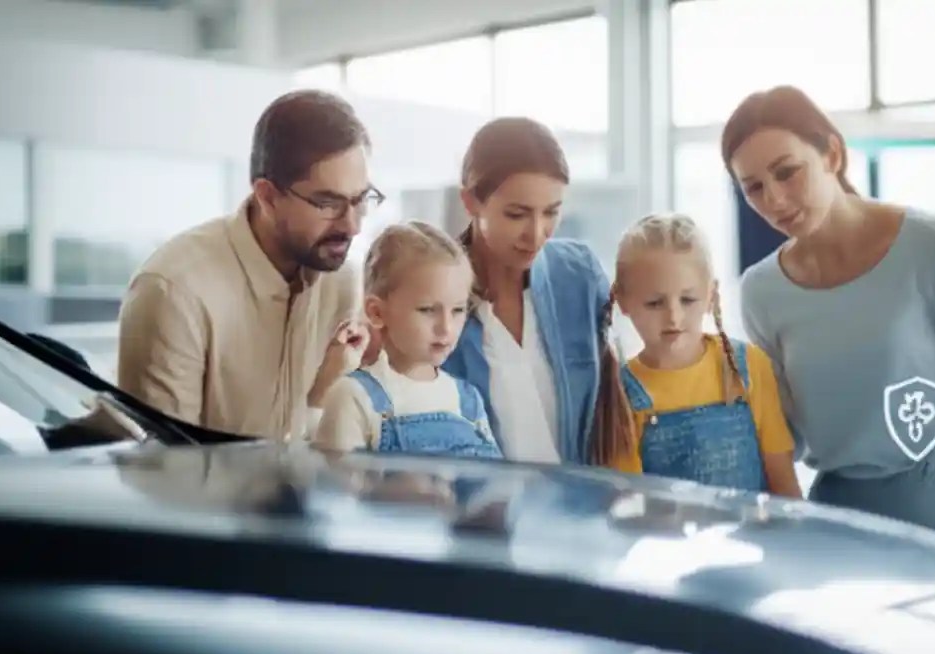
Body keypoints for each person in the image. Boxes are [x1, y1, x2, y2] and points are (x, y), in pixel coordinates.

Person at [726, 85, 935, 558]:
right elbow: (782, 434)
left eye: (787, 172)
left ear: (833, 154)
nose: (775, 200)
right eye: (754, 188)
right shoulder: (761, 291)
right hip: (837, 535)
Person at [116, 90, 377, 441]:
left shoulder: (342, 281)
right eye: (327, 203)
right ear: (267, 196)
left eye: (361, 200)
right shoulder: (174, 289)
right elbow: (164, 471)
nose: (353, 226)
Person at [591, 212, 802, 498]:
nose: (674, 317)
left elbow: (784, 482)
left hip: (752, 540)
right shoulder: (621, 394)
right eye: (654, 303)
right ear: (623, 300)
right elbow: (631, 504)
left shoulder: (749, 366)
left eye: (688, 300)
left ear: (711, 295)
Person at [441, 117, 611, 466]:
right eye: (517, 214)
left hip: (580, 509)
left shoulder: (579, 277)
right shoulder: (432, 294)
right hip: (479, 514)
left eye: (551, 212)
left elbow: (616, 401)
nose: (537, 234)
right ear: (471, 201)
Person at [313, 221, 500, 459]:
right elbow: (335, 490)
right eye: (427, 310)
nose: (446, 327)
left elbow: (496, 485)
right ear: (377, 313)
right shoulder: (353, 396)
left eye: (458, 310)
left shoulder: (469, 400)